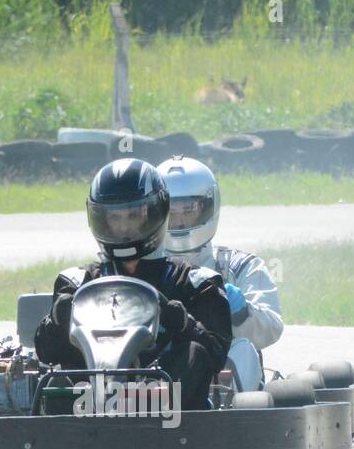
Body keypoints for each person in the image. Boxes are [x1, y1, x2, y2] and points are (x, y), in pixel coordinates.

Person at [34, 158, 232, 411]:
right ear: (100, 218)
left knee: (194, 351)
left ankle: (159, 418)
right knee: (65, 358)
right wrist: (57, 319)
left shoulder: (196, 282)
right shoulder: (76, 283)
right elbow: (47, 354)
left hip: (166, 400)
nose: (124, 228)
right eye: (115, 217)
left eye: (134, 216)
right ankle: (85, 413)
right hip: (87, 401)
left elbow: (215, 358)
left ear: (157, 212)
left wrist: (184, 324)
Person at [157, 156, 284, 351]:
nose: (180, 221)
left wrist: (242, 311)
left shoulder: (239, 266)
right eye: (171, 212)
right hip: (159, 374)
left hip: (221, 373)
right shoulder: (142, 267)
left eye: (189, 210)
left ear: (208, 207)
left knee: (241, 348)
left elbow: (272, 328)